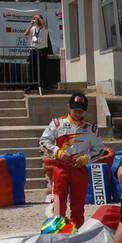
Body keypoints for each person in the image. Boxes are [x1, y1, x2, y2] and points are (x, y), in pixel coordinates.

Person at [39, 92, 106, 229]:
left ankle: (77, 231)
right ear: (69, 107)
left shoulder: (91, 129)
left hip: (79, 169)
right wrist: (57, 152)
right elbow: (44, 141)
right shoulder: (57, 124)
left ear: (85, 111)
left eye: (80, 111)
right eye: (75, 110)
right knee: (58, 203)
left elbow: (100, 149)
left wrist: (86, 158)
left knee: (78, 205)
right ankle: (58, 231)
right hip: (61, 168)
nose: (77, 113)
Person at [24, 14, 52, 94]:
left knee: (43, 68)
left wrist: (38, 18)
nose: (35, 19)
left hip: (42, 50)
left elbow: (45, 25)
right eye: (34, 18)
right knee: (32, 69)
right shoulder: (33, 28)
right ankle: (31, 86)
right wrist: (31, 25)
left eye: (36, 18)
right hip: (34, 50)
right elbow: (25, 34)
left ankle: (44, 85)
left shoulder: (44, 28)